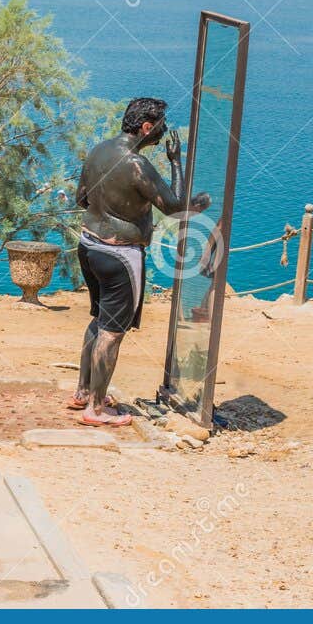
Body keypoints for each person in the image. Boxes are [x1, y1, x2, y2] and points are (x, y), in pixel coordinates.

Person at [71, 97, 211, 427]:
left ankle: (83, 392)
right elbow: (174, 208)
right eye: (161, 124)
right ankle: (96, 409)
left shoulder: (99, 150)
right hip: (119, 255)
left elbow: (81, 198)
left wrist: (111, 207)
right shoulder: (136, 164)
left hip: (88, 246)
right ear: (147, 127)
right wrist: (176, 162)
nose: (164, 130)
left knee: (98, 320)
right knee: (112, 332)